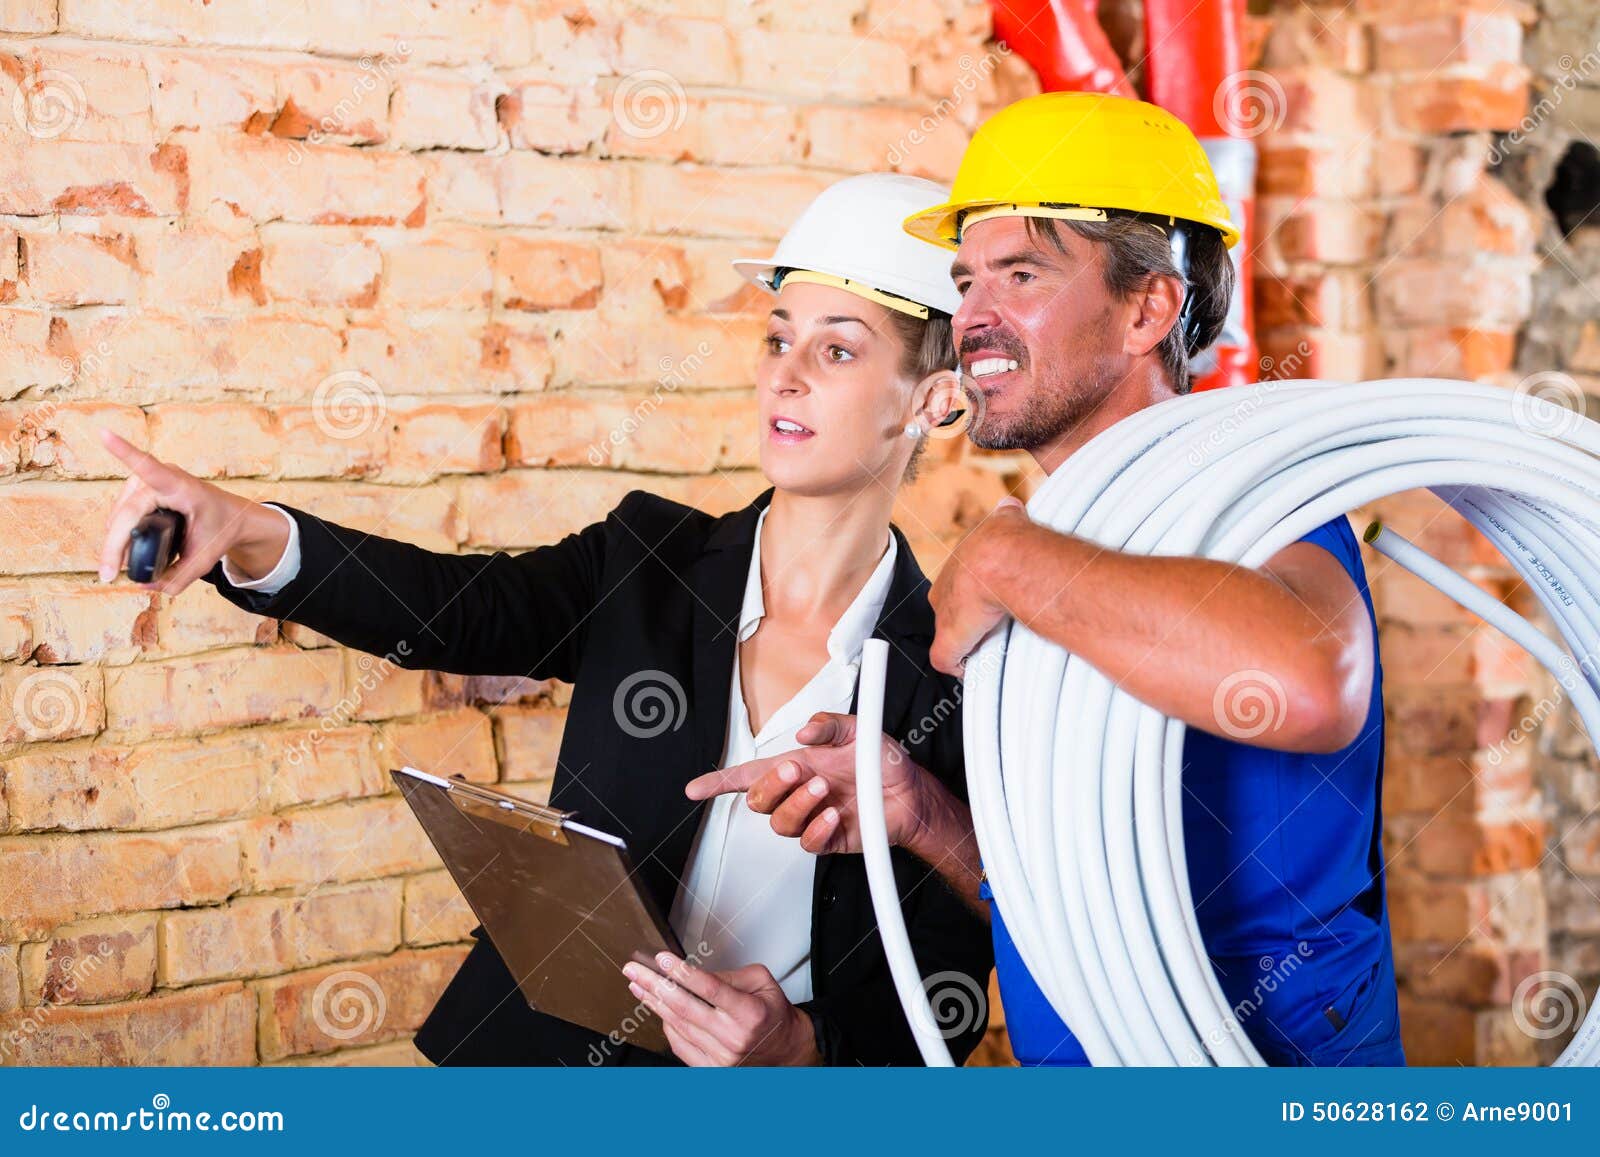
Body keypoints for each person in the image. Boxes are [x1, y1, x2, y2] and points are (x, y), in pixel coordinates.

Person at [95, 173, 993, 1067]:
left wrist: (799, 1049)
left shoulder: (956, 677)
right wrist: (250, 530)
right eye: (777, 338)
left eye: (837, 351)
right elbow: (453, 609)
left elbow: (942, 996)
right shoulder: (647, 560)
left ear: (935, 400)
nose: (785, 377)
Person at [693, 92, 1402, 1067]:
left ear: (1148, 308)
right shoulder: (1053, 549)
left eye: (1020, 274)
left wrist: (1010, 559)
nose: (972, 317)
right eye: (965, 281)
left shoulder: (1248, 499)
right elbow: (1076, 903)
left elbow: (1313, 684)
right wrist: (919, 811)